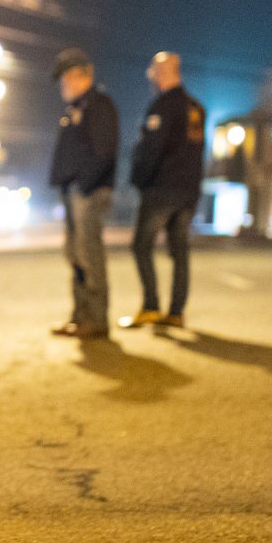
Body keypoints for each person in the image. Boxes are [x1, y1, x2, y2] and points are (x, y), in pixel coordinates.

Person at [122, 51, 206, 329]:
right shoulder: (195, 107)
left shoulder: (163, 106)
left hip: (161, 190)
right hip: (188, 192)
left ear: (165, 72)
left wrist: (138, 179)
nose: (153, 79)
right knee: (179, 251)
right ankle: (176, 312)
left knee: (141, 246)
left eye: (155, 74)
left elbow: (151, 150)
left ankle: (151, 306)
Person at [49, 47, 119, 338]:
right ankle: (79, 316)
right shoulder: (76, 108)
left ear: (79, 76)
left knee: (90, 256)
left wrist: (83, 184)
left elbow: (103, 152)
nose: (62, 86)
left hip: (88, 193)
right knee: (75, 255)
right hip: (74, 192)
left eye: (65, 79)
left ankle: (96, 319)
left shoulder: (98, 105)